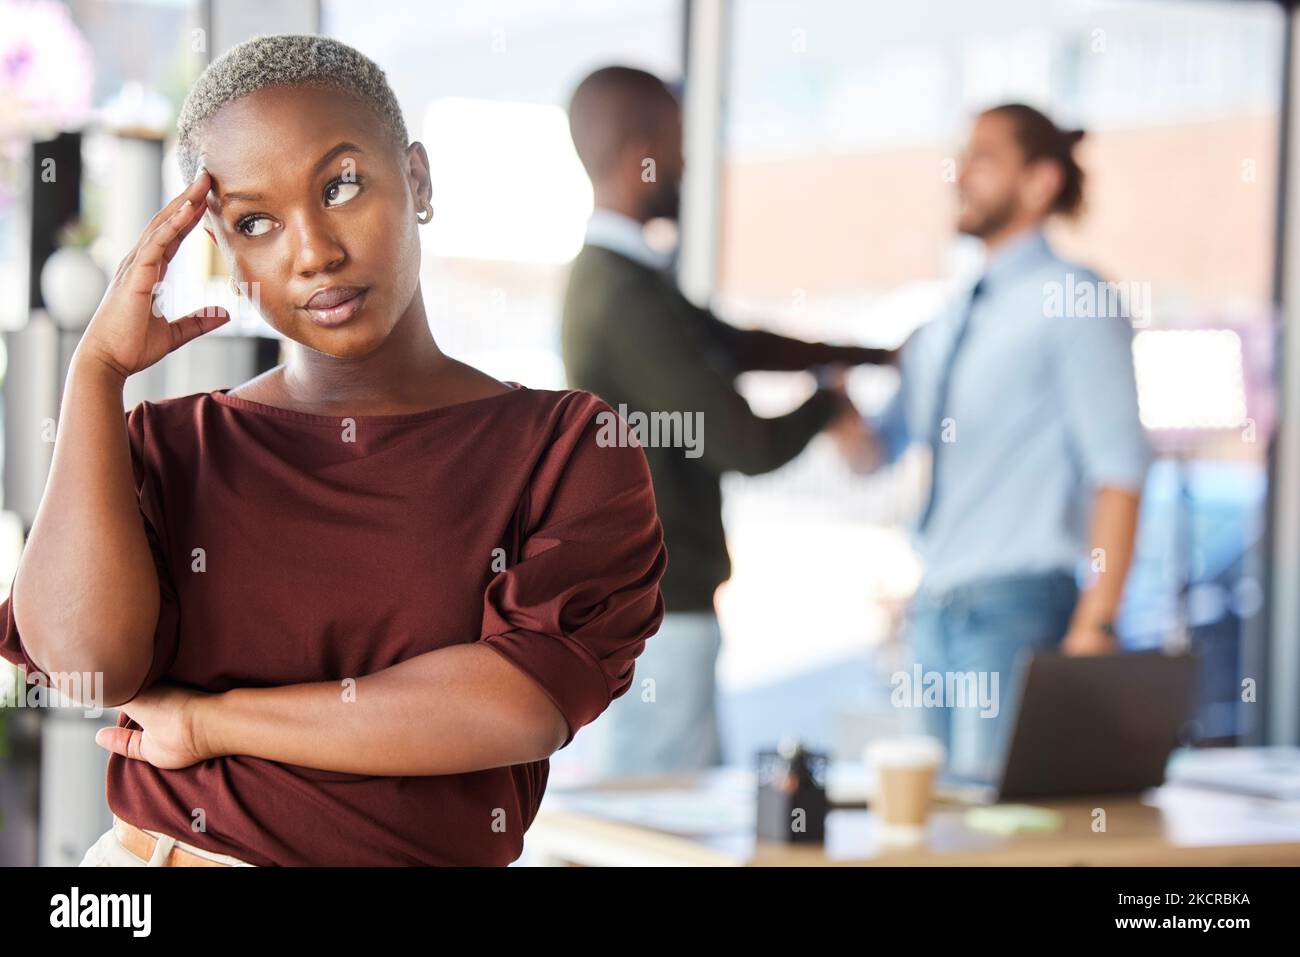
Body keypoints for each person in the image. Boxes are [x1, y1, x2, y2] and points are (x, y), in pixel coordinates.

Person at [0, 34, 666, 866]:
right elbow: (87, 667)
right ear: (223, 246)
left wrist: (211, 721)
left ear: (417, 181)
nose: (313, 250)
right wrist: (95, 374)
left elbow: (516, 703)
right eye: (255, 221)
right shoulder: (170, 449)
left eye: (341, 185)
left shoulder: (565, 448)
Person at [560, 66, 895, 778]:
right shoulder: (621, 297)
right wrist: (829, 403)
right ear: (640, 152)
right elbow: (742, 442)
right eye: (677, 144)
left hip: (661, 609)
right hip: (659, 613)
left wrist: (873, 352)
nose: (684, 164)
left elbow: (737, 343)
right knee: (659, 833)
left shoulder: (628, 281)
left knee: (673, 814)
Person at [869, 104, 1152, 782]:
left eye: (984, 157)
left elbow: (1122, 469)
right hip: (933, 605)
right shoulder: (950, 316)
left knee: (997, 836)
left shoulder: (1075, 301)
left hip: (1018, 607)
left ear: (1040, 181)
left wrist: (1096, 626)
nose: (960, 174)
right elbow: (880, 447)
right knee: (930, 828)